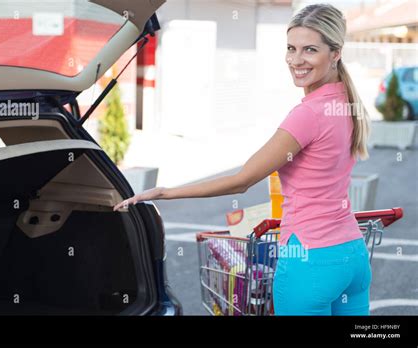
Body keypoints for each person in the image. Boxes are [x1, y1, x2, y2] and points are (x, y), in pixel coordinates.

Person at [113, 3, 372, 316]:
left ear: (335, 53)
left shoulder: (308, 114)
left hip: (310, 263)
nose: (295, 60)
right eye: (291, 48)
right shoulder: (346, 101)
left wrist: (164, 192)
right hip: (353, 256)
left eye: (310, 50)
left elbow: (242, 180)